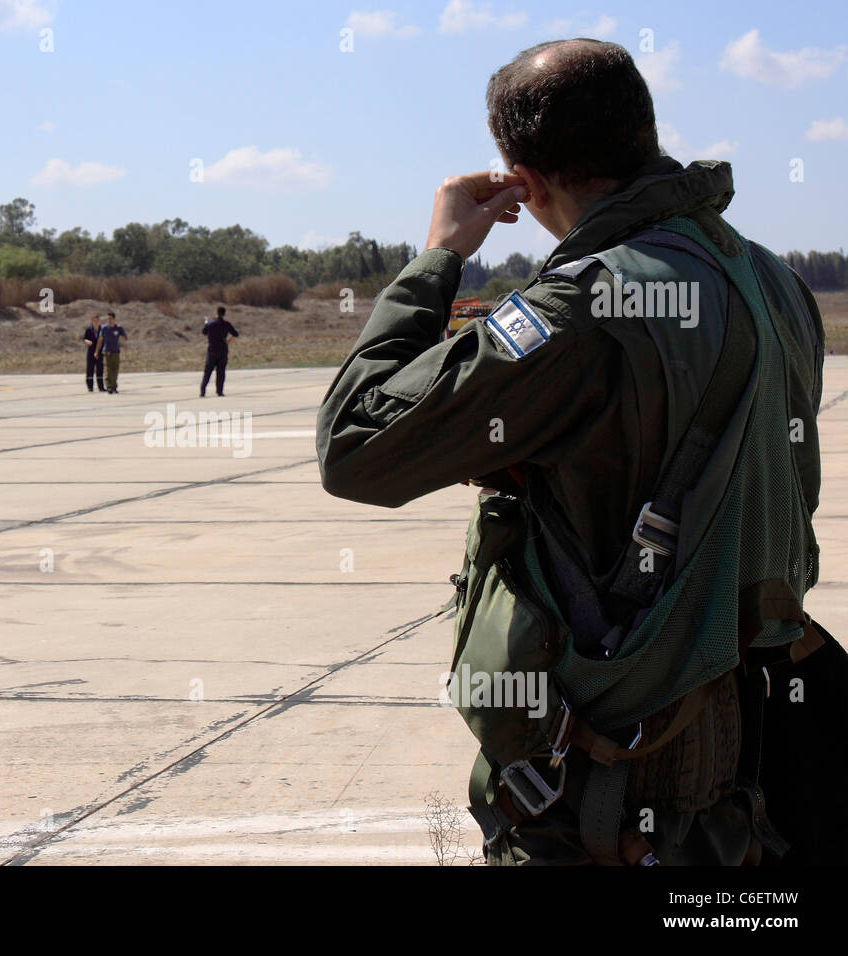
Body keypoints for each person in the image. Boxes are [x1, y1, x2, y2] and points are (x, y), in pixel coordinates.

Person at [316, 38, 836, 866]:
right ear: (643, 128)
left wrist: (439, 255)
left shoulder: (584, 303)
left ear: (524, 173)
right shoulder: (771, 282)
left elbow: (357, 444)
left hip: (605, 788)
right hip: (735, 763)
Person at [200, 306, 239, 397]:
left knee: (208, 372)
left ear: (216, 313)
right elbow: (236, 334)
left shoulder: (210, 323)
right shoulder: (226, 324)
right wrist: (228, 341)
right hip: (223, 350)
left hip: (212, 350)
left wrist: (206, 321)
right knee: (221, 372)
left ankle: (203, 391)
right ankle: (219, 391)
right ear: (224, 314)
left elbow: (204, 332)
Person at [96, 311, 126, 393]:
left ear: (114, 319)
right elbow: (100, 339)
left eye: (111, 318)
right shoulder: (104, 328)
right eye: (108, 319)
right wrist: (97, 351)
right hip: (107, 351)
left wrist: (123, 336)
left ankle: (114, 386)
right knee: (108, 370)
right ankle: (109, 387)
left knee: (115, 370)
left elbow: (124, 337)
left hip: (116, 351)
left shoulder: (118, 328)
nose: (109, 320)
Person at [83, 314, 105, 392]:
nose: (95, 322)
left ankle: (101, 387)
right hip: (91, 352)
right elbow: (84, 339)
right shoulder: (89, 330)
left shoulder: (102, 329)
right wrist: (87, 341)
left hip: (100, 352)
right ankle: (90, 387)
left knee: (100, 369)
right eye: (94, 320)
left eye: (97, 321)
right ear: (92, 321)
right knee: (90, 370)